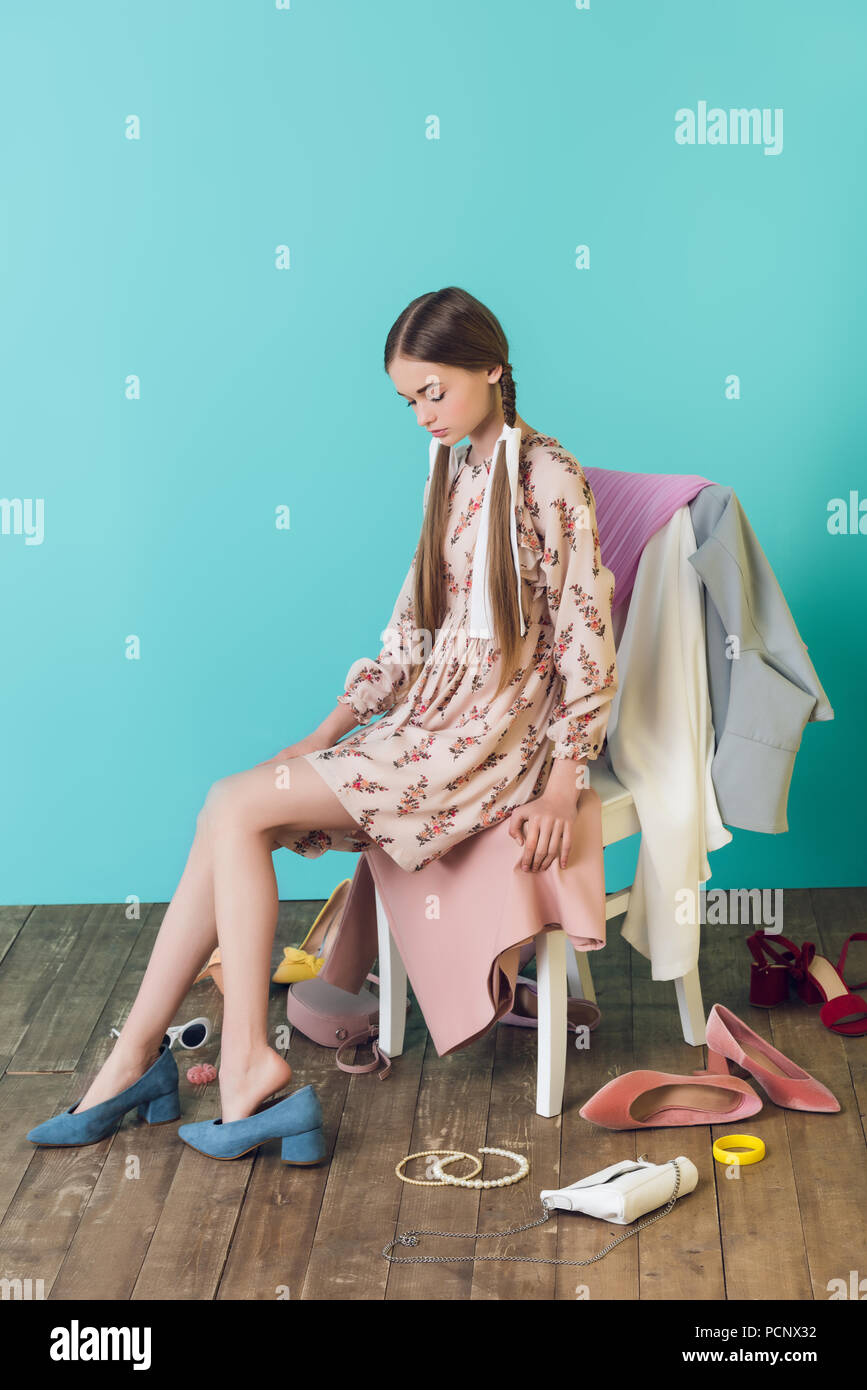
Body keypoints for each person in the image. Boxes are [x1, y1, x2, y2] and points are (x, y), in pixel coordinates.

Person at [28, 285, 618, 1141]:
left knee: (232, 807)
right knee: (231, 811)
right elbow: (409, 634)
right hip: (426, 727)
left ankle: (222, 1066)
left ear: (492, 368)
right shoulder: (451, 471)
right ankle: (145, 1064)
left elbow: (585, 642)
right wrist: (318, 739)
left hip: (486, 746)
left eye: (434, 390)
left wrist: (563, 787)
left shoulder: (547, 477)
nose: (421, 414)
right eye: (407, 399)